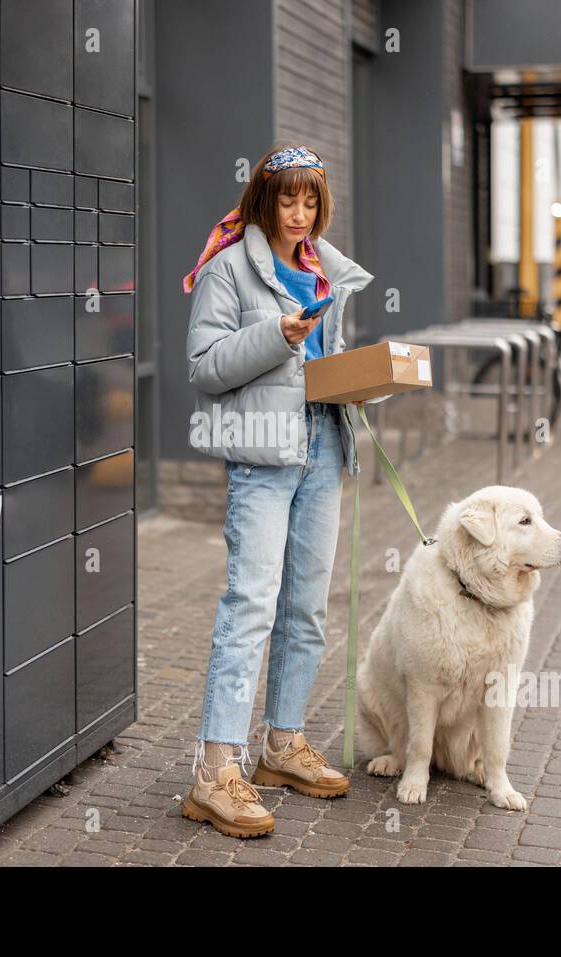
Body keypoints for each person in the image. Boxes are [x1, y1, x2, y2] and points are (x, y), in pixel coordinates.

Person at [180, 144, 373, 838]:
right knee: (250, 605)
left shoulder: (326, 272)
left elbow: (318, 369)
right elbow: (204, 367)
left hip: (322, 446)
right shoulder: (228, 269)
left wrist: (360, 378)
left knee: (307, 605)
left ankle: (281, 743)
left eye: (311, 201)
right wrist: (277, 335)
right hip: (264, 456)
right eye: (288, 200)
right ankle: (214, 769)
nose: (300, 213)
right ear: (266, 201)